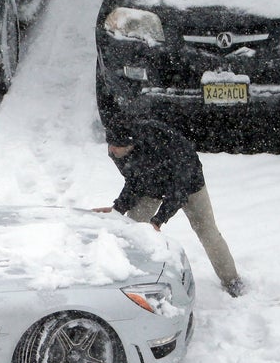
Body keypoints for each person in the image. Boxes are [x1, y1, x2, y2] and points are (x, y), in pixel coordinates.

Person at [94, 118, 245, 297]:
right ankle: (135, 281)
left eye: (116, 146)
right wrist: (118, 209)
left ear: (130, 144)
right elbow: (134, 180)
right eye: (110, 144)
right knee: (133, 229)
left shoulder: (166, 146)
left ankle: (232, 281)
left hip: (188, 184)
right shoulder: (117, 151)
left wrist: (158, 220)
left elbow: (179, 191)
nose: (111, 150)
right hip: (151, 185)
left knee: (207, 232)